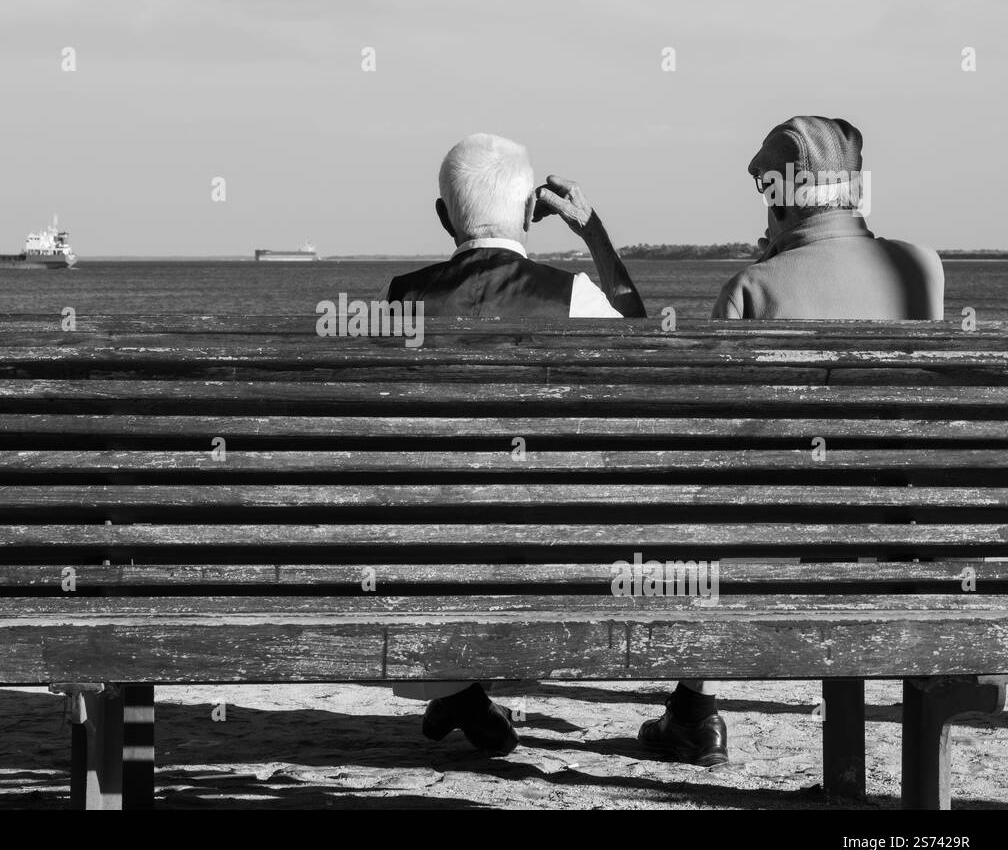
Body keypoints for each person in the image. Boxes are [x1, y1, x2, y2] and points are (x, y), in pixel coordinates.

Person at [638, 115, 945, 767]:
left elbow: (720, 449)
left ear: (778, 200)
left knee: (707, 518)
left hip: (772, 559)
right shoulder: (921, 266)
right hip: (903, 549)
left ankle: (693, 705)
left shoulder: (753, 288)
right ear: (855, 188)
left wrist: (772, 265)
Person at [386, 132, 646, 754]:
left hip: (432, 552)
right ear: (533, 212)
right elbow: (647, 354)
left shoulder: (400, 302)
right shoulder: (578, 298)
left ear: (444, 216)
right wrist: (595, 236)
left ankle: (461, 691)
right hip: (562, 548)